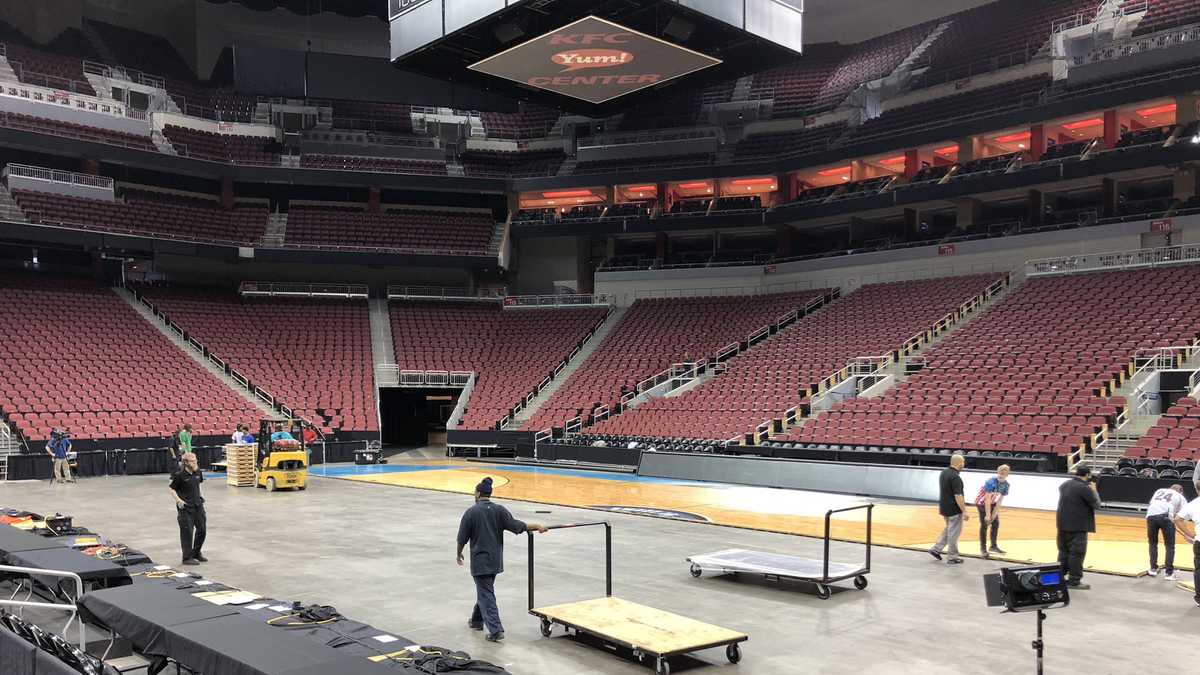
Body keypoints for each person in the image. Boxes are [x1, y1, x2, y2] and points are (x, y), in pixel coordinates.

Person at [456, 477, 547, 642]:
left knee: (486, 593)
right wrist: (537, 526)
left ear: (477, 494)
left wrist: (459, 553)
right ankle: (476, 621)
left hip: (480, 561)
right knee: (485, 590)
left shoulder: (471, 512)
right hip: (495, 561)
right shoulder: (499, 510)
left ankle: (496, 630)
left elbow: (462, 537)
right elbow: (517, 526)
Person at [1056, 466, 1101, 589]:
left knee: (1063, 552)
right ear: (1087, 475)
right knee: (1077, 554)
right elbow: (1097, 505)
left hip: (1062, 524)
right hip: (1078, 526)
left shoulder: (1065, 484)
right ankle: (1074, 581)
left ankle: (1059, 578)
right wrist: (1094, 490)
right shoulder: (1084, 488)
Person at [929, 453, 969, 565]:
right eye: (963, 462)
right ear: (959, 463)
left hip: (944, 507)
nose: (964, 464)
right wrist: (964, 511)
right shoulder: (956, 477)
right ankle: (952, 557)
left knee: (949, 529)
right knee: (954, 533)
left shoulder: (944, 472)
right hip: (954, 509)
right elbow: (958, 496)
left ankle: (936, 549)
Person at [169, 452, 207, 566]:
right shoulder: (179, 475)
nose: (195, 462)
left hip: (198, 506)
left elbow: (198, 484)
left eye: (196, 460)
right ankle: (187, 557)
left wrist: (200, 496)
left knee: (202, 530)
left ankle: (196, 553)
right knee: (187, 533)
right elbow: (172, 489)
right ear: (185, 463)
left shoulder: (198, 472)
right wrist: (178, 500)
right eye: (192, 461)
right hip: (186, 508)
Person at [1146, 483, 1186, 580]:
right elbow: (1184, 513)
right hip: (1166, 517)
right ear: (1181, 491)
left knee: (1152, 543)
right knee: (1169, 546)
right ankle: (1169, 573)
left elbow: (1153, 503)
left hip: (1150, 516)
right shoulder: (1180, 496)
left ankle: (1153, 568)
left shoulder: (1159, 490)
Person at [1171, 481, 1200, 607]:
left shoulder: (1193, 504)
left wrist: (1190, 534)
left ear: (1196, 490)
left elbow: (1177, 519)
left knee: (1199, 570)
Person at [975, 464, 1010, 558]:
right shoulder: (991, 482)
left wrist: (994, 514)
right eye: (999, 473)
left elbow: (999, 500)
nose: (1000, 475)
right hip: (982, 503)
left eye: (1003, 474)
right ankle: (983, 549)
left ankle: (993, 546)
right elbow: (987, 499)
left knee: (995, 523)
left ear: (1007, 475)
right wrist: (987, 515)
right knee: (985, 524)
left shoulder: (1006, 485)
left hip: (992, 503)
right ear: (997, 472)